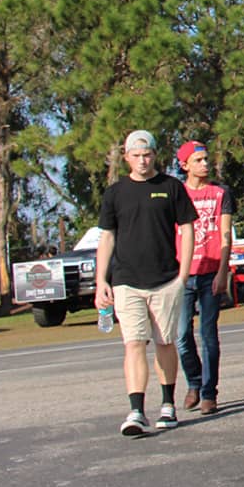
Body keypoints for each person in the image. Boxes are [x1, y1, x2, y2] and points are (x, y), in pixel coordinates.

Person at [95, 130, 197, 437]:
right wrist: (101, 280)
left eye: (148, 154)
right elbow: (107, 237)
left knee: (166, 343)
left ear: (155, 155)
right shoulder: (115, 194)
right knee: (134, 343)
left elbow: (187, 229)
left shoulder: (171, 187)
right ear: (126, 157)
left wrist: (183, 275)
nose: (143, 160)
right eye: (136, 155)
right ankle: (136, 411)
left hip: (166, 279)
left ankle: (168, 405)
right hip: (126, 281)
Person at [175, 140, 233, 416]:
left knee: (208, 333)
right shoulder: (176, 193)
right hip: (183, 274)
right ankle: (194, 383)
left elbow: (225, 234)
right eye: (198, 160)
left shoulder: (221, 193)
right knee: (182, 335)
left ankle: (210, 393)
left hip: (211, 271)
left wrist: (223, 271)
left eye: (207, 159)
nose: (205, 164)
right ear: (184, 165)